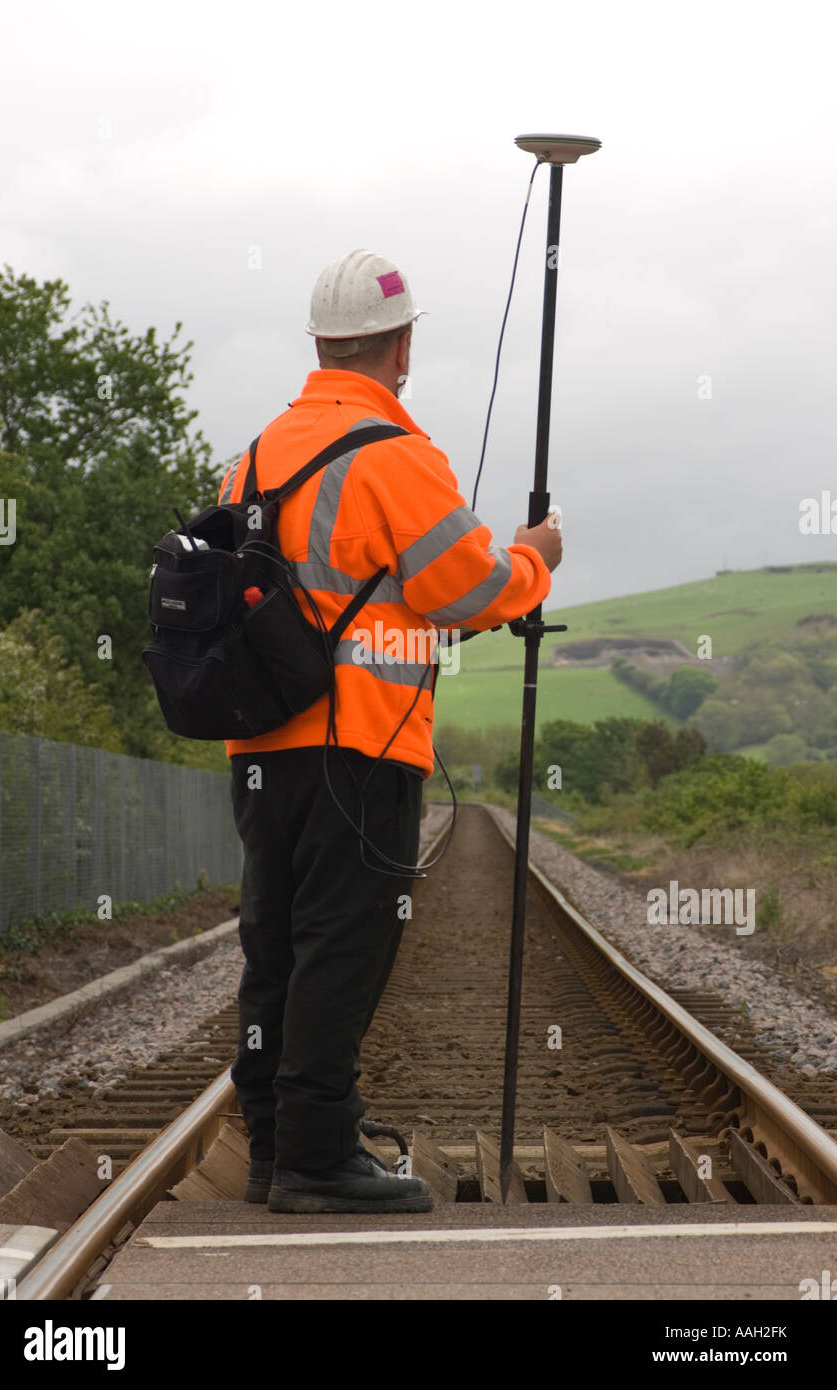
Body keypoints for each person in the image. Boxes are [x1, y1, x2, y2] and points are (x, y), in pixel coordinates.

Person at [218, 249, 562, 1214]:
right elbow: (465, 587)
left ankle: (274, 1148)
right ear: (400, 346)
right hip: (358, 742)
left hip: (260, 747)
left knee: (276, 944)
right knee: (343, 944)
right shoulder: (395, 456)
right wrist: (533, 560)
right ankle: (320, 1158)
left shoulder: (257, 454)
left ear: (320, 344)